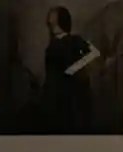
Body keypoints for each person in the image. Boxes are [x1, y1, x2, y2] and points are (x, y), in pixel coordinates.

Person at [39, 6, 100, 134]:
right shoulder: (53, 43)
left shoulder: (75, 40)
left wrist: (73, 69)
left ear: (60, 19)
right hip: (53, 95)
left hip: (70, 95)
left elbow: (94, 52)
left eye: (53, 14)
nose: (49, 18)